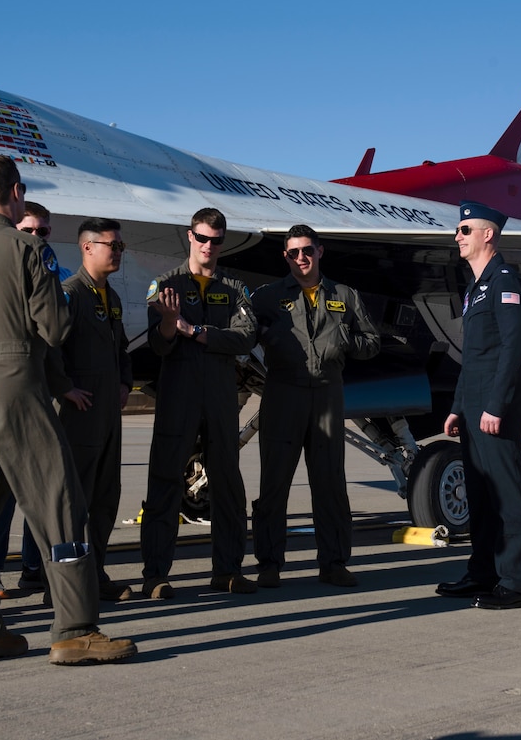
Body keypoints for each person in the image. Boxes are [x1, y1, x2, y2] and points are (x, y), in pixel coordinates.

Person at [0, 154, 136, 664]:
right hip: (12, 381)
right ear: (16, 192)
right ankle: (74, 629)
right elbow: (56, 328)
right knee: (59, 503)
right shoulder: (28, 249)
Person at [250, 225, 380, 587]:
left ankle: (334, 563)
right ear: (285, 256)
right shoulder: (267, 297)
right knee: (274, 482)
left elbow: (372, 342)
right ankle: (269, 564)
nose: (301, 257)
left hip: (327, 394)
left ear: (320, 251)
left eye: (307, 250)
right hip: (282, 394)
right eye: (293, 252)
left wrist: (344, 340)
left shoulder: (345, 295)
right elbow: (243, 335)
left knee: (330, 483)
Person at [140, 208, 258, 597]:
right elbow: (158, 346)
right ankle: (155, 575)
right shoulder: (164, 285)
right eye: (202, 238)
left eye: (216, 240)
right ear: (190, 236)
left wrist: (195, 330)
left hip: (221, 397)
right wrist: (169, 325)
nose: (209, 246)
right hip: (179, 395)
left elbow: (245, 336)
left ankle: (228, 570)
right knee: (164, 480)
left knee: (227, 483)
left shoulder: (234, 288)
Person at [437, 201, 521, 610]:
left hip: (496, 407)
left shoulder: (504, 281)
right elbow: (472, 356)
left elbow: (513, 348)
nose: (457, 237)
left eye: (465, 230)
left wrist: (496, 405)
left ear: (488, 234)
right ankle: (482, 573)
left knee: (507, 494)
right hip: (474, 406)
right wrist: (458, 406)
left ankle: (517, 583)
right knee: (479, 495)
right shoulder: (475, 289)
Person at [48, 217, 134, 602]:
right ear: (87, 247)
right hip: (79, 415)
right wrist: (64, 387)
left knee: (105, 496)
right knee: (75, 500)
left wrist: (124, 383)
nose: (117, 252)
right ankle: (66, 584)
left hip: (107, 413)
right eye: (111, 245)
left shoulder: (110, 297)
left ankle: (94, 573)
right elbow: (48, 346)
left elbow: (121, 348)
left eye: (120, 246)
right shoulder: (71, 294)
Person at [0, 199, 69, 596]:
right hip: (9, 391)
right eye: (29, 230)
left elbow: (58, 338)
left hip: (44, 394)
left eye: (43, 231)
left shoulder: (58, 274)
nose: (37, 237)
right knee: (2, 492)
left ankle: (35, 569)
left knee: (44, 490)